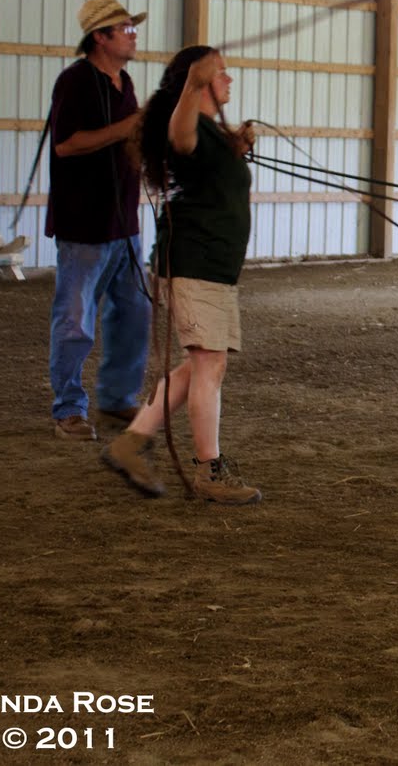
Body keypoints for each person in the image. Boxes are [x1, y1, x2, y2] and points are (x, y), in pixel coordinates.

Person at [101, 45, 261, 504]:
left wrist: (237, 146)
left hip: (213, 268)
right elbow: (181, 133)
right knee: (209, 365)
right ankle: (209, 469)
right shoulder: (185, 126)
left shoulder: (212, 133)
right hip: (195, 265)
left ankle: (130, 443)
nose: (229, 81)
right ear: (202, 80)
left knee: (202, 365)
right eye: (222, 74)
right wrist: (193, 81)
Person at [46, 0, 152, 441]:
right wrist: (125, 129)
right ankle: (69, 408)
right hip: (84, 225)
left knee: (134, 313)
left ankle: (117, 397)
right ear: (100, 37)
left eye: (132, 26)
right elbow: (66, 144)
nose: (133, 33)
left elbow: (124, 142)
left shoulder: (123, 83)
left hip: (124, 222)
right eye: (125, 27)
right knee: (75, 320)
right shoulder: (75, 82)